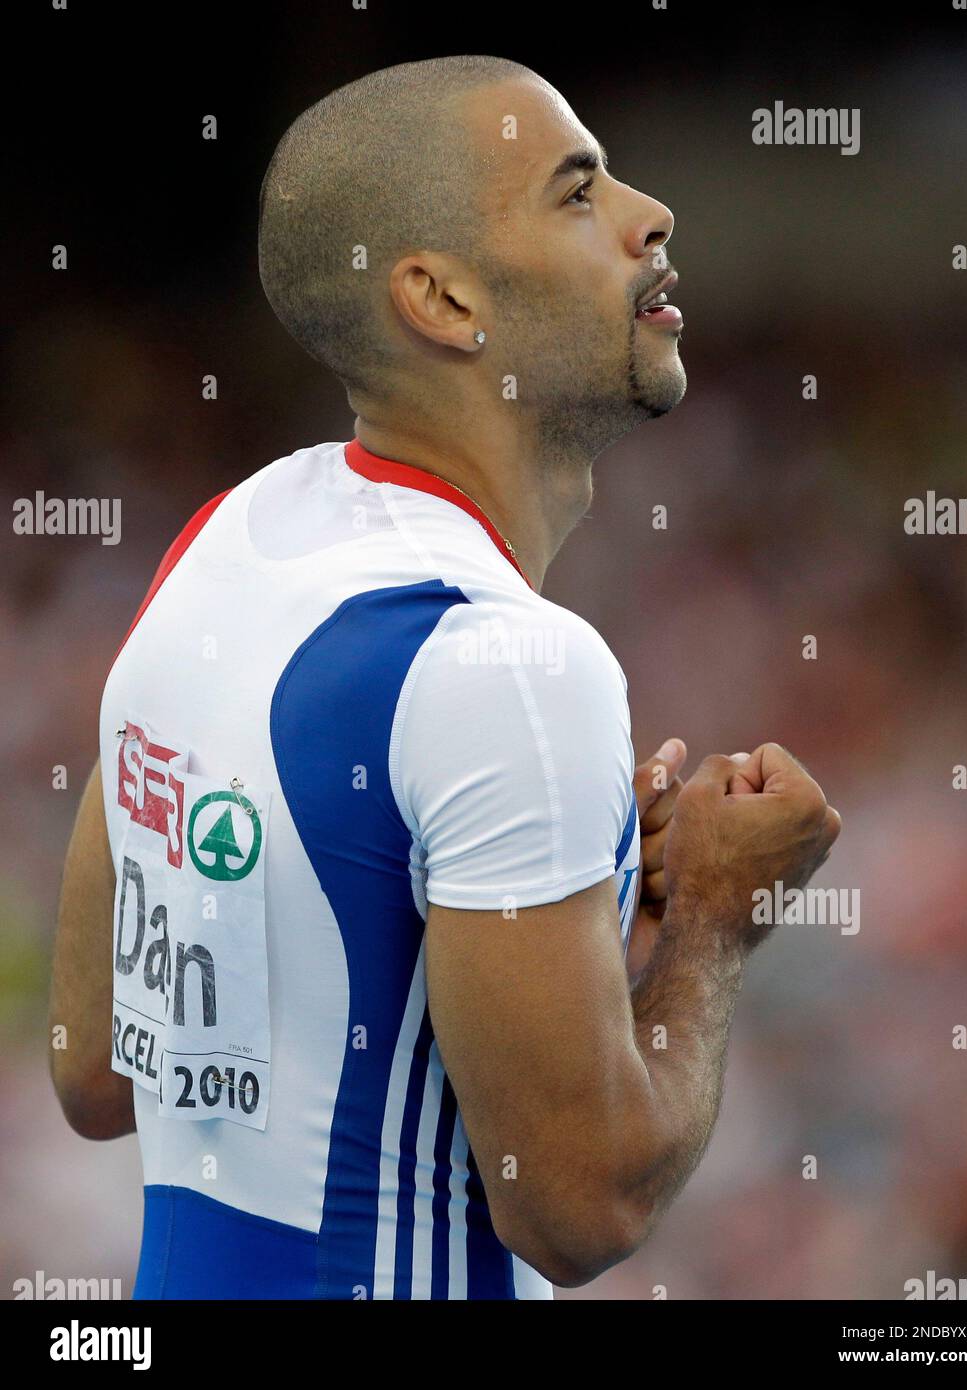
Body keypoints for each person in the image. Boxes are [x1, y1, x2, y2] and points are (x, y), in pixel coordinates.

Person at [48, 54, 840, 1299]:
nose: (650, 214)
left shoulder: (220, 544)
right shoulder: (509, 661)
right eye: (578, 194)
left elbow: (97, 1068)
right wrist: (712, 925)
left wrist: (567, 920)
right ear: (443, 298)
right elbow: (583, 1207)